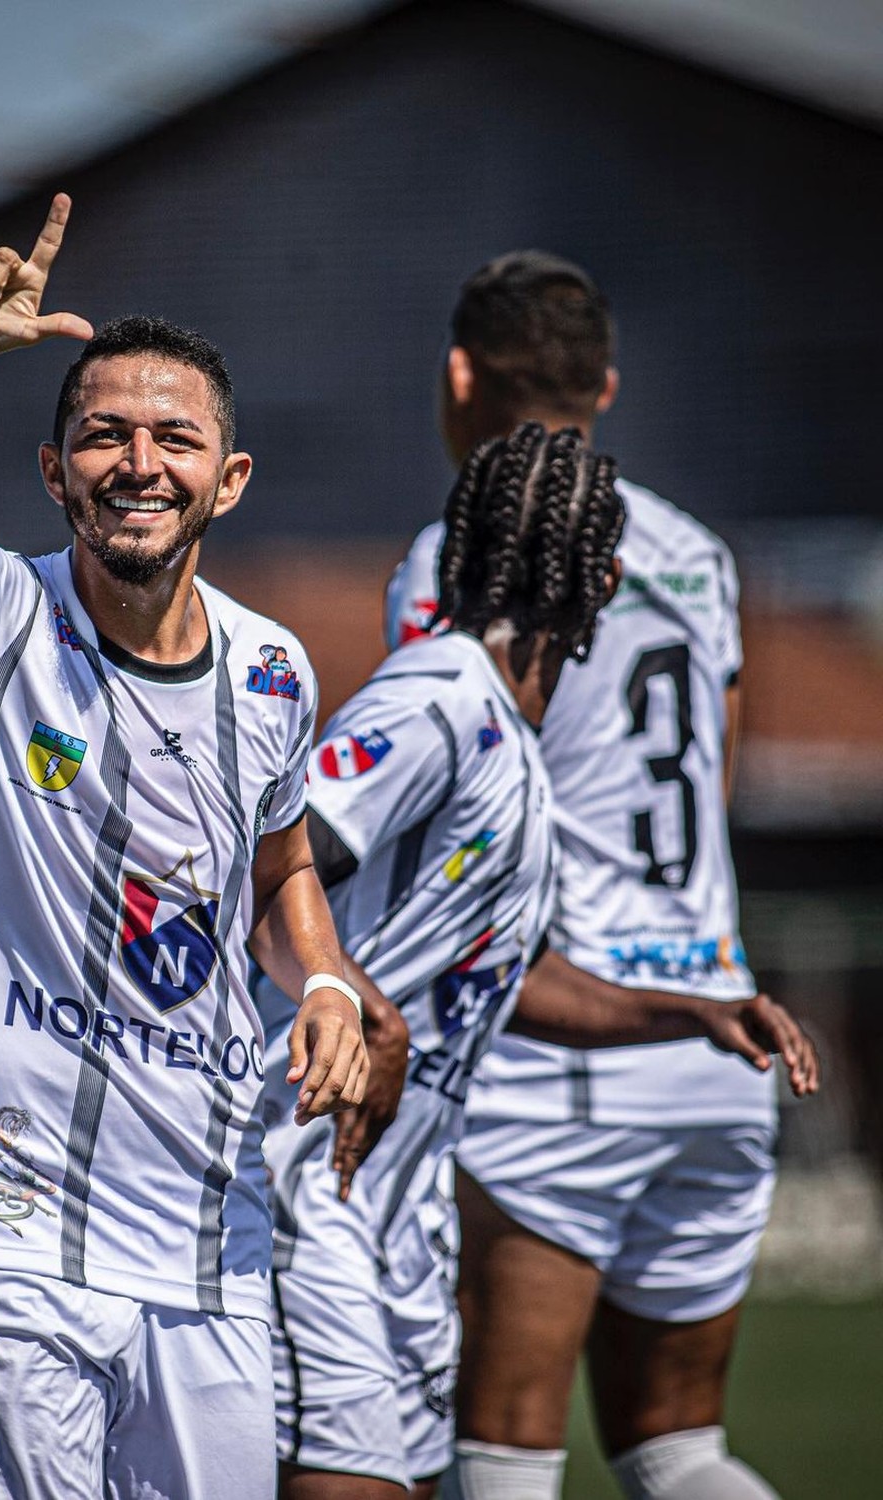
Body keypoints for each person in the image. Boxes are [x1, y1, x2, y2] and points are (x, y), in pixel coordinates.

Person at [0, 194, 370, 1500]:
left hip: (206, 1234)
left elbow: (284, 865)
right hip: (1, 1220)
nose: (139, 462)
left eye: (174, 438)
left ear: (227, 479)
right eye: (103, 436)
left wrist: (334, 984)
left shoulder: (278, 674)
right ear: (53, 470)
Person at [256, 422, 816, 1500]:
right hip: (301, 1187)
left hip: (398, 1205)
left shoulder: (517, 749)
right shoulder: (435, 697)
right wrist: (356, 998)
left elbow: (499, 985)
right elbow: (264, 859)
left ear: (453, 554)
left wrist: (687, 1012)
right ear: (604, 580)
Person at [386, 252, 799, 1500]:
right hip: (720, 1035)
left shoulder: (454, 557)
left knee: (501, 1458)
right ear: (605, 386)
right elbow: (708, 799)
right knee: (680, 1452)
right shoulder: (701, 555)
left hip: (559, 1045)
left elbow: (443, 790)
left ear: (459, 377)